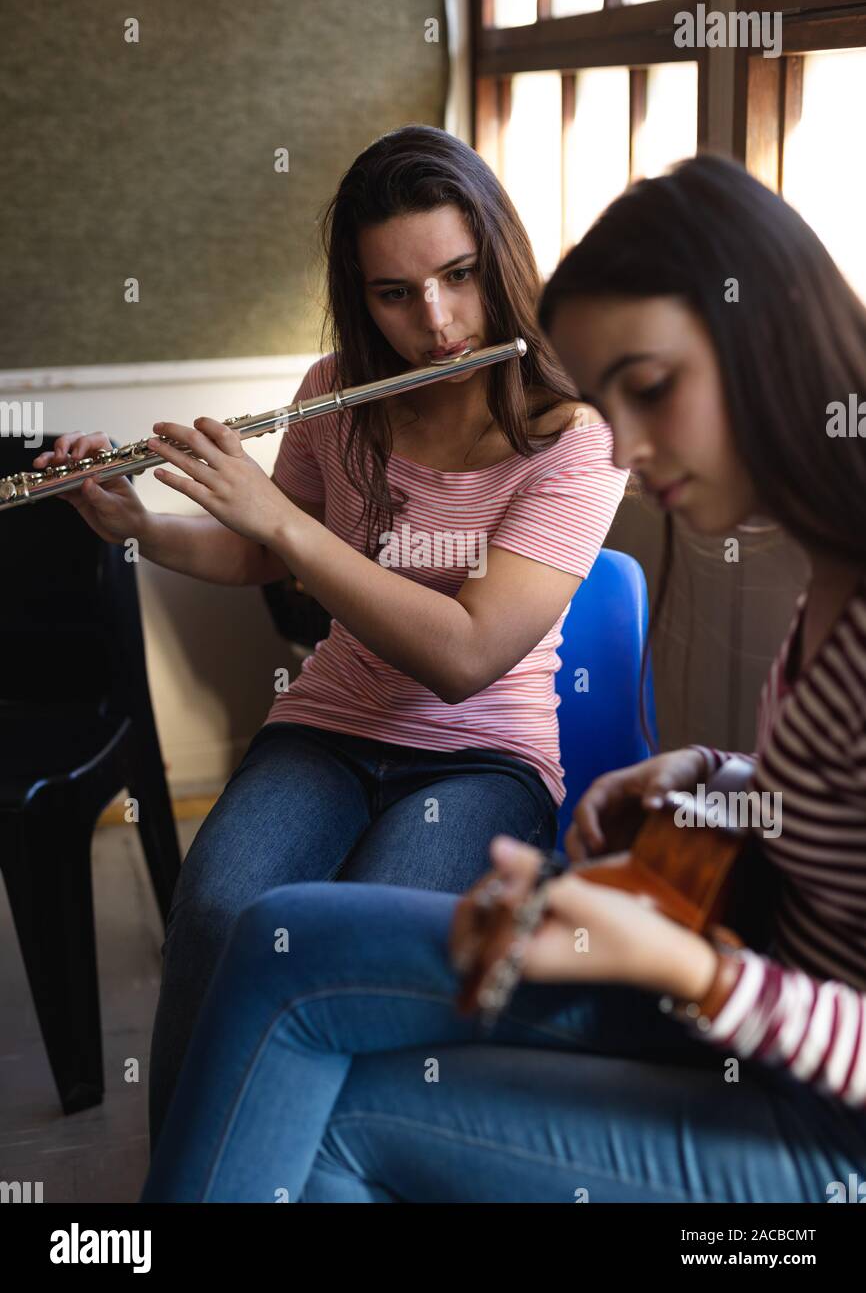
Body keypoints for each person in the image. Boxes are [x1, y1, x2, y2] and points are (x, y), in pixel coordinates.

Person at [139, 154, 866, 1203]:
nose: (627, 443)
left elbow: (466, 649)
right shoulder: (830, 575)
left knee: (317, 1109)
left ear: (772, 340)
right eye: (615, 400)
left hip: (807, 1110)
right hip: (745, 992)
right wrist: (706, 778)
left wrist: (691, 971)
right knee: (264, 943)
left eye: (652, 388)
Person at [33, 125, 627, 1149]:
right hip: (328, 723)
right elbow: (270, 559)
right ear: (360, 295)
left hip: (480, 752)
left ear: (497, 258)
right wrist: (144, 530)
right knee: (216, 918)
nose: (433, 322)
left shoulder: (572, 434)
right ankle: (187, 1174)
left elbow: (464, 655)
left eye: (456, 276)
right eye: (394, 294)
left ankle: (312, 1169)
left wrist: (279, 522)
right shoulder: (333, 392)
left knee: (330, 946)